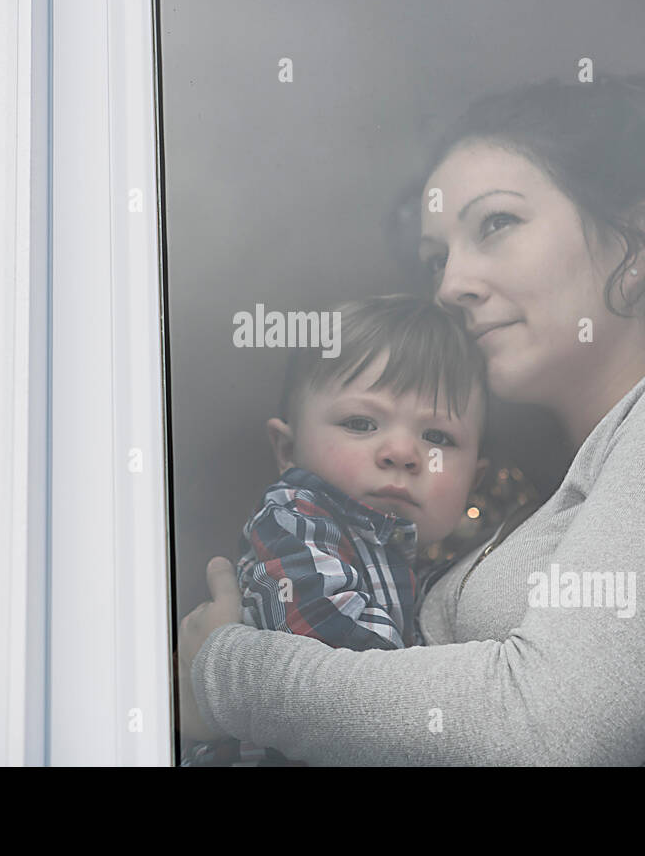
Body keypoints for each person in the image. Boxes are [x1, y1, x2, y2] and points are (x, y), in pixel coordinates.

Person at [177, 74, 645, 765]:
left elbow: (544, 728)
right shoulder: (522, 502)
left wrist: (224, 673)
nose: (450, 285)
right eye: (436, 259)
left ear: (634, 247)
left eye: (495, 223)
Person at [183, 295, 489, 765]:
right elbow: (345, 674)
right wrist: (467, 686)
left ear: (474, 476)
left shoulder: (434, 573)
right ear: (287, 449)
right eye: (361, 423)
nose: (404, 452)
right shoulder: (295, 518)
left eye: (438, 437)